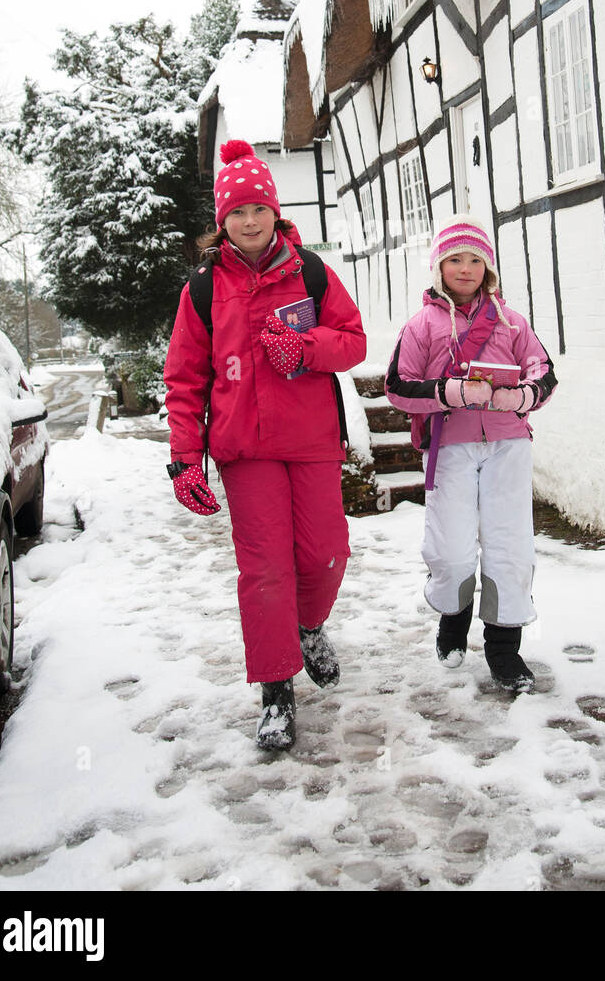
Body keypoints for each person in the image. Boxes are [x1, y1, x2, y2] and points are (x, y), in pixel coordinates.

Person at [164, 139, 366, 750]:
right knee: (265, 571)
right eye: (236, 212)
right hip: (243, 450)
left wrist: (306, 350)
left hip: (311, 442)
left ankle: (309, 627)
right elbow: (184, 379)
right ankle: (276, 690)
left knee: (326, 553)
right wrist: (183, 458)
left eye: (259, 210)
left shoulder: (310, 270)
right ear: (221, 221)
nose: (249, 222)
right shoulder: (202, 288)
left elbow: (353, 342)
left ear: (274, 213)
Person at [385, 216, 557, 691]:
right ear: (440, 265)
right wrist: (449, 393)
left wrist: (520, 397)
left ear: (489, 267)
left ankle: (504, 651)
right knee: (453, 548)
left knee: (510, 547)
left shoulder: (511, 320)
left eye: (476, 260)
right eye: (456, 259)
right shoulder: (421, 325)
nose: (466, 268)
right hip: (452, 447)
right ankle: (452, 621)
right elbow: (397, 386)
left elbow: (544, 373)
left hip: (508, 445)